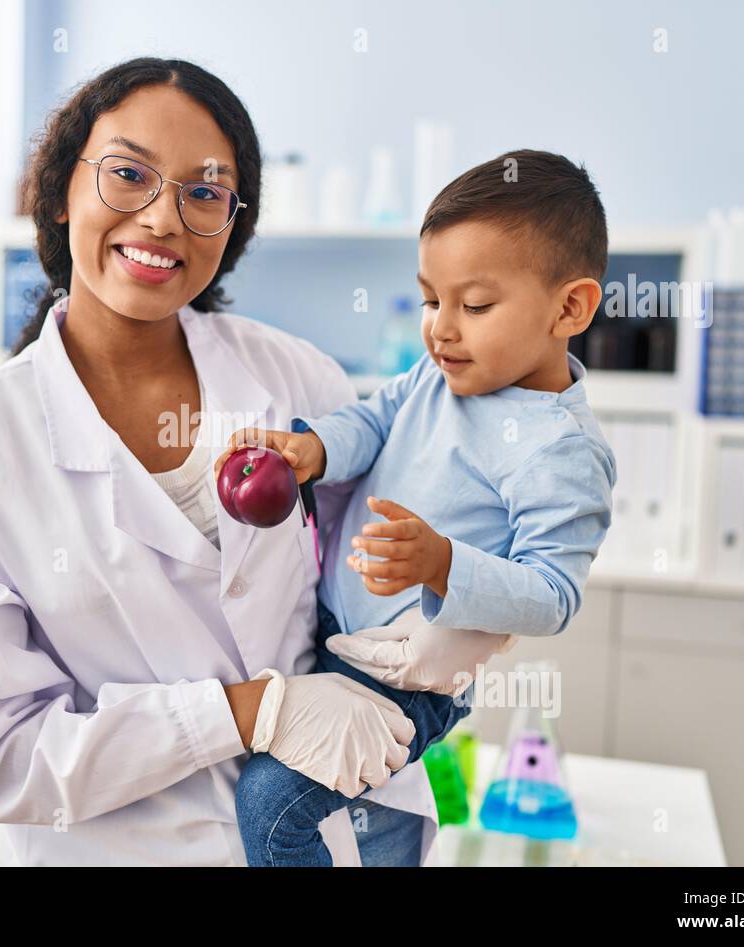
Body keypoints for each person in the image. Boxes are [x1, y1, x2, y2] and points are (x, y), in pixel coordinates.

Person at [0, 57, 436, 866]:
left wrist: (464, 588)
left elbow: (375, 589)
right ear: (61, 189)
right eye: (129, 174)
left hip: (344, 831)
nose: (162, 218)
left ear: (231, 226)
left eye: (204, 193)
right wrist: (247, 714)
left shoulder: (299, 382)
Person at [220, 150, 617, 865]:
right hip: (336, 634)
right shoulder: (436, 377)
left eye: (475, 306)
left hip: (406, 680)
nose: (440, 328)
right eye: (433, 299)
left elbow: (554, 594)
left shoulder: (561, 449)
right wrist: (315, 450)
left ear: (571, 308)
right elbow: (372, 422)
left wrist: (444, 566)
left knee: (270, 806)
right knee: (374, 826)